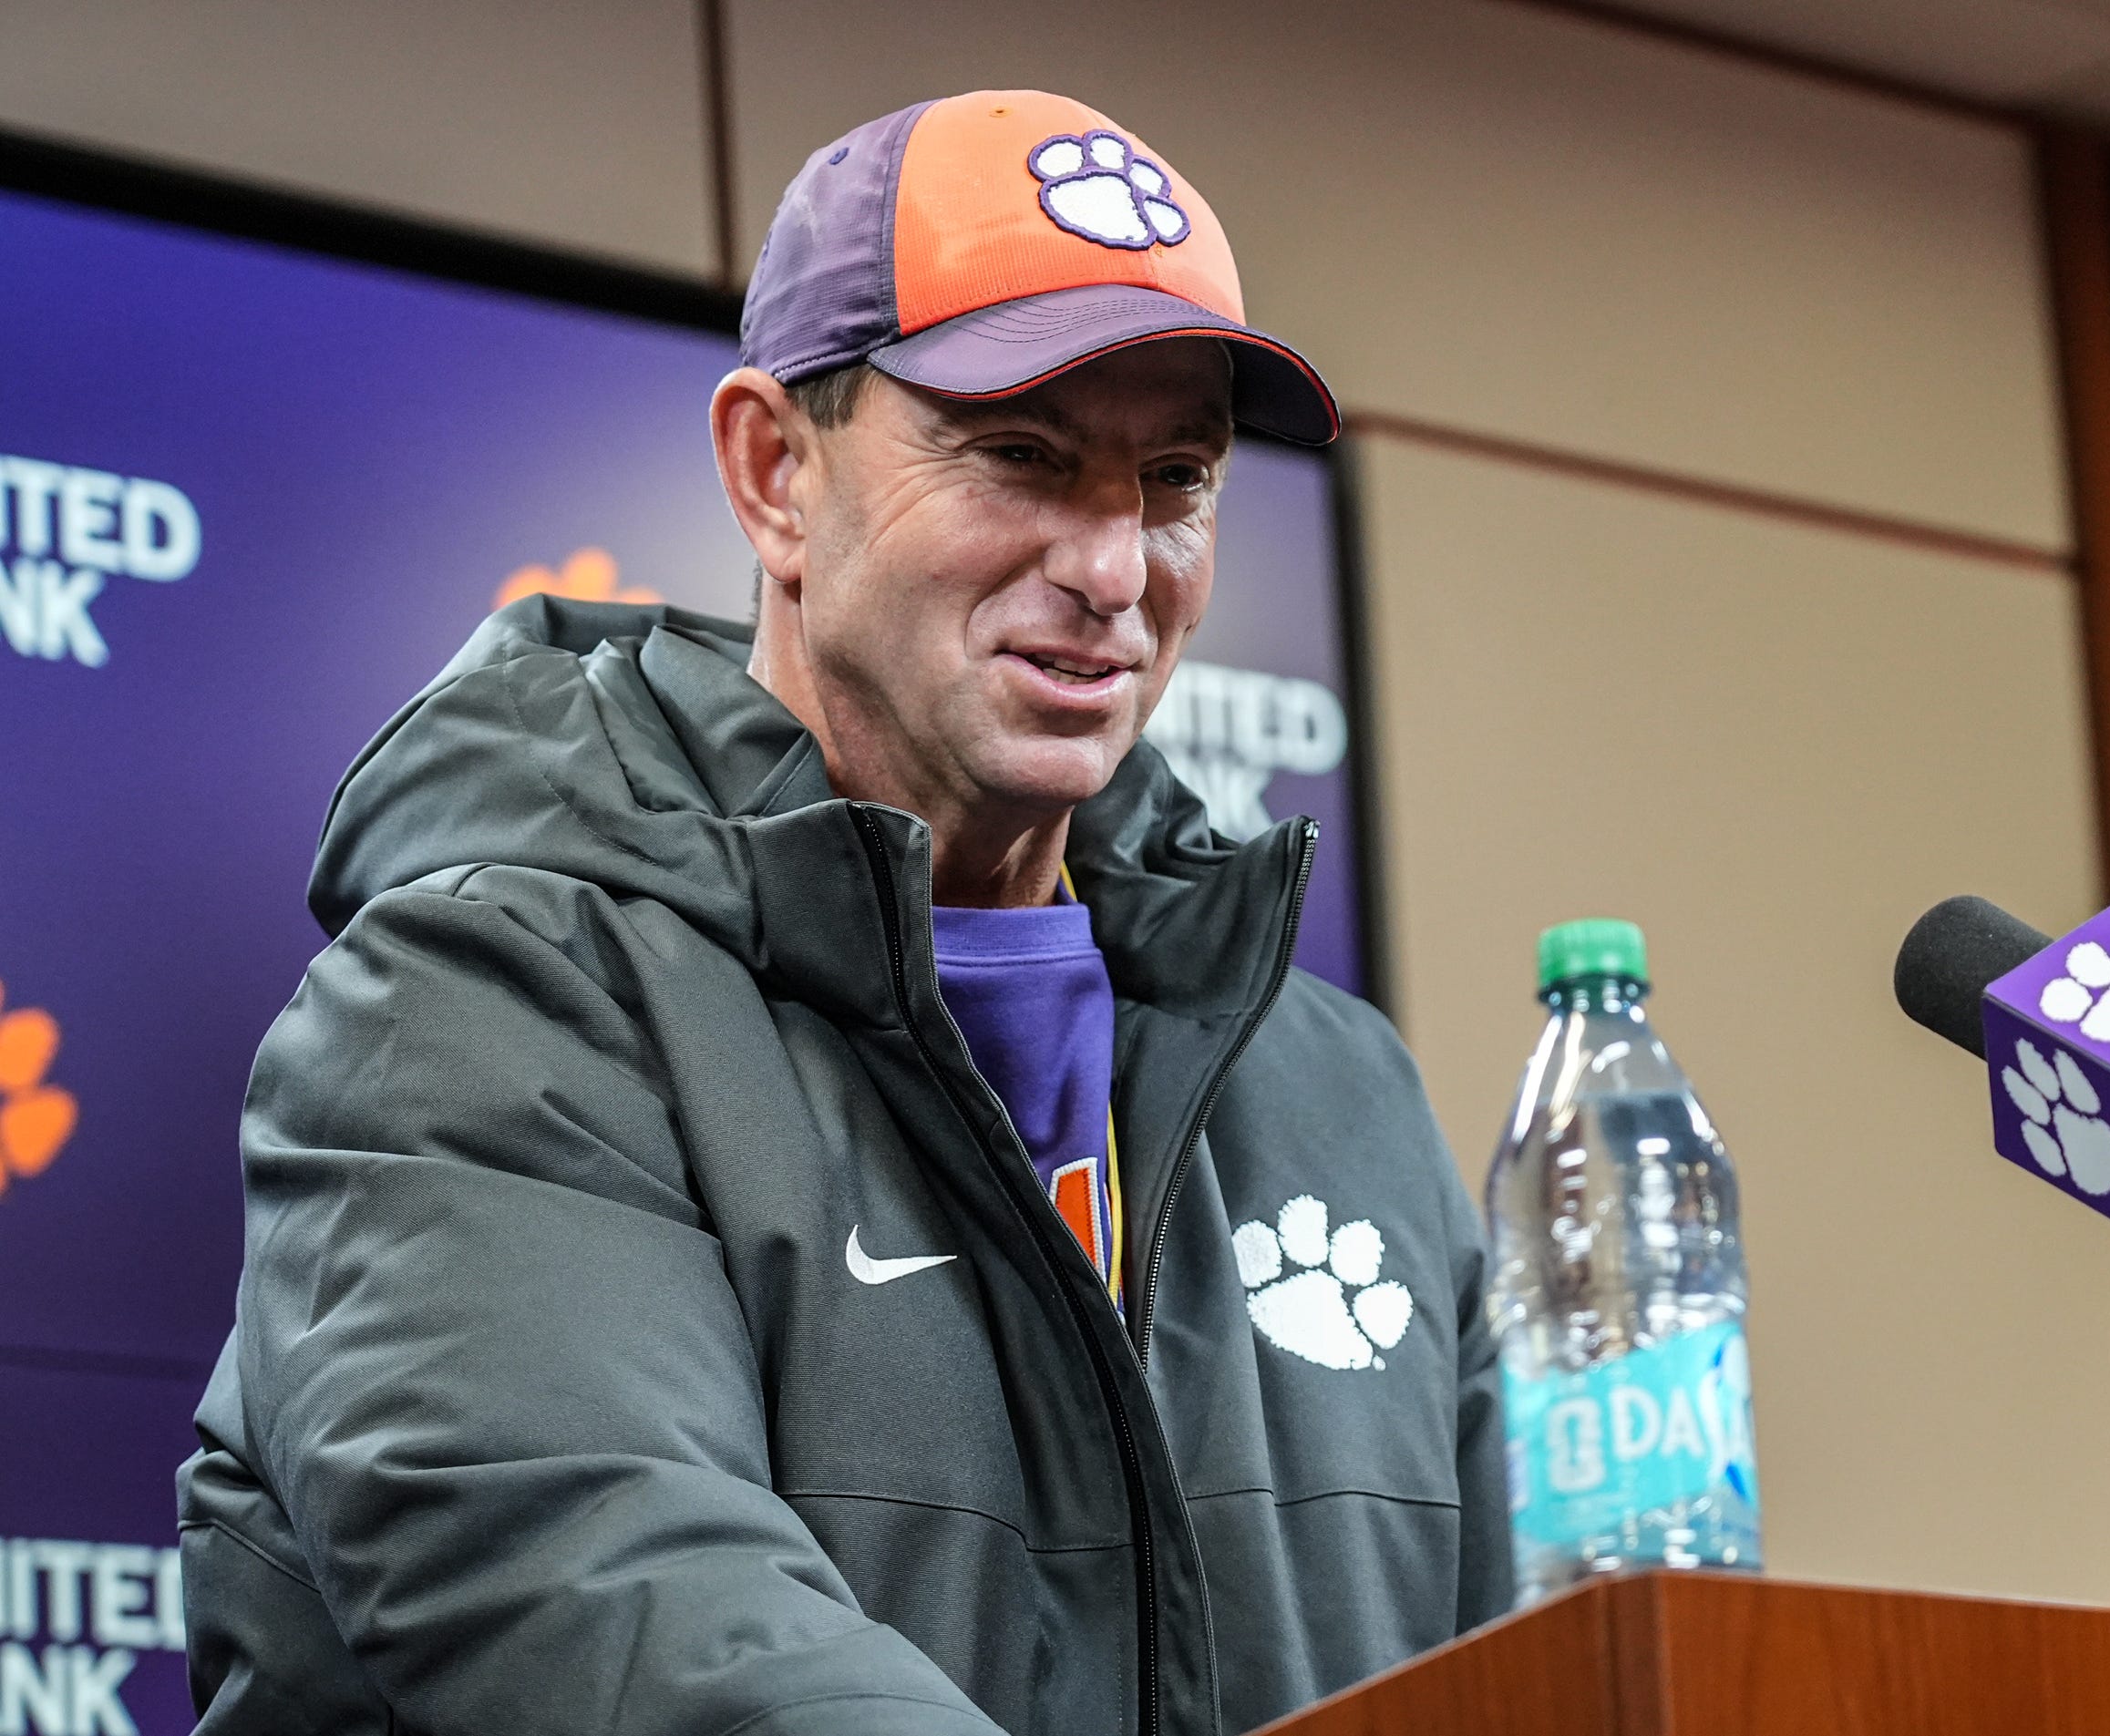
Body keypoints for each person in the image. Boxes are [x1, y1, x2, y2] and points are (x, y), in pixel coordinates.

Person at [179, 88, 1508, 1736]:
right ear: (773, 475)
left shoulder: (1339, 1095)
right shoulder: (472, 1012)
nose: (1114, 563)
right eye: (1023, 454)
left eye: (1174, 480)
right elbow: (640, 1630)